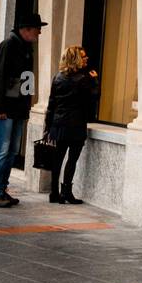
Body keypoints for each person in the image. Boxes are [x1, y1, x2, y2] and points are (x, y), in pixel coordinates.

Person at [0, 12, 45, 207]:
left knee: (12, 151)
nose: (39, 33)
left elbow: (27, 80)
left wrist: (27, 108)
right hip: (6, 109)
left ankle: (2, 189)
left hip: (19, 109)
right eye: (37, 30)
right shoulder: (8, 46)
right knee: (2, 150)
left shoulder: (27, 48)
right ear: (25, 30)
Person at [44, 46, 100, 204]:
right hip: (75, 126)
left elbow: (51, 105)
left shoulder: (58, 77)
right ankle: (66, 192)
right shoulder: (83, 79)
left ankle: (54, 193)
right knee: (71, 160)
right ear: (75, 59)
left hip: (59, 125)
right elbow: (93, 99)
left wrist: (47, 128)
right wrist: (95, 81)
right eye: (83, 56)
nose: (86, 58)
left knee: (57, 160)